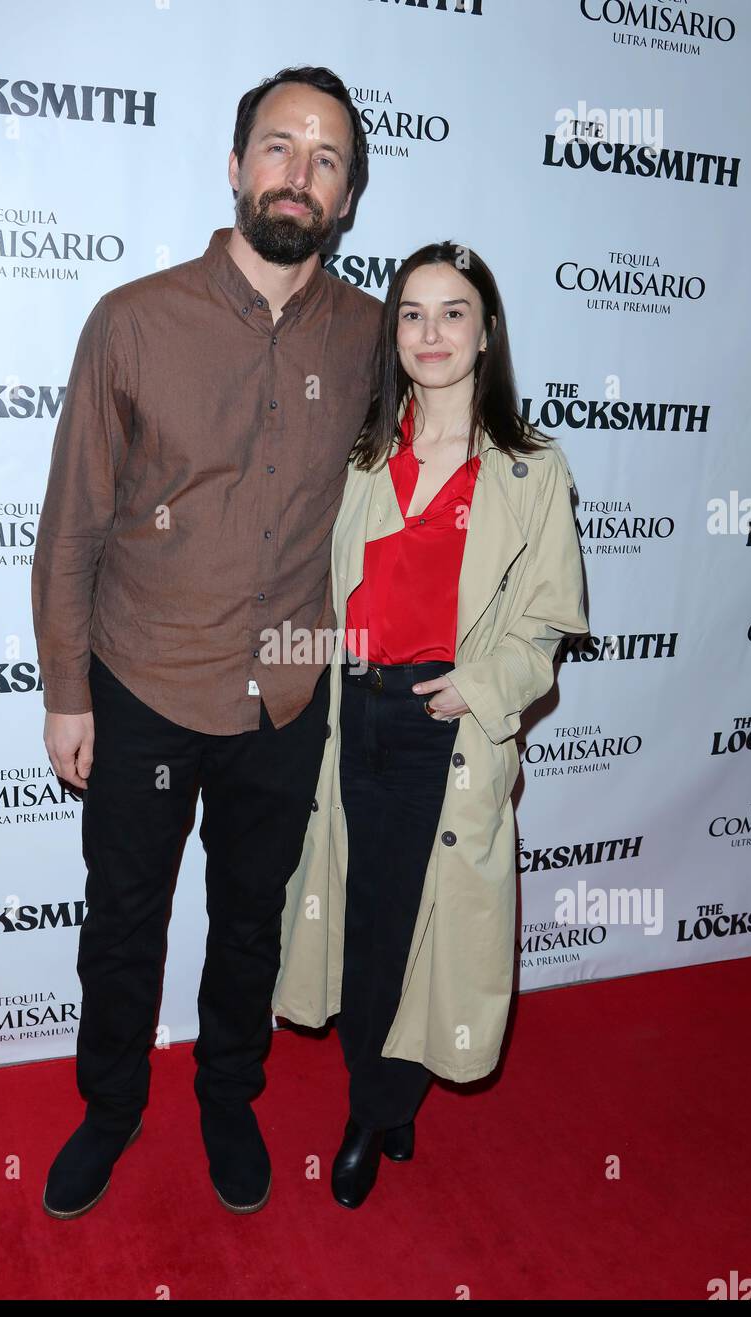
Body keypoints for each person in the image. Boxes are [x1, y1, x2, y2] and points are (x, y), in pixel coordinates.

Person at [31, 65, 383, 1219]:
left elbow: (439, 474)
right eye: (279, 148)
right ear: (236, 168)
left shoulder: (377, 336)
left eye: (326, 159)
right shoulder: (134, 321)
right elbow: (73, 517)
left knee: (251, 919)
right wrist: (66, 690)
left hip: (284, 696)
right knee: (123, 919)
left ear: (347, 195)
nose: (299, 173)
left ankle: (227, 1096)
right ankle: (110, 1106)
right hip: (142, 682)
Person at [272, 240, 590, 1207]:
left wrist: (478, 687)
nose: (430, 332)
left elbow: (543, 627)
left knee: (425, 923)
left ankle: (372, 1110)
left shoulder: (531, 470)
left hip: (445, 732)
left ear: (486, 332)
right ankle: (387, 1097)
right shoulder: (365, 453)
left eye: (453, 312)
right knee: (365, 918)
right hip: (352, 716)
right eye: (410, 313)